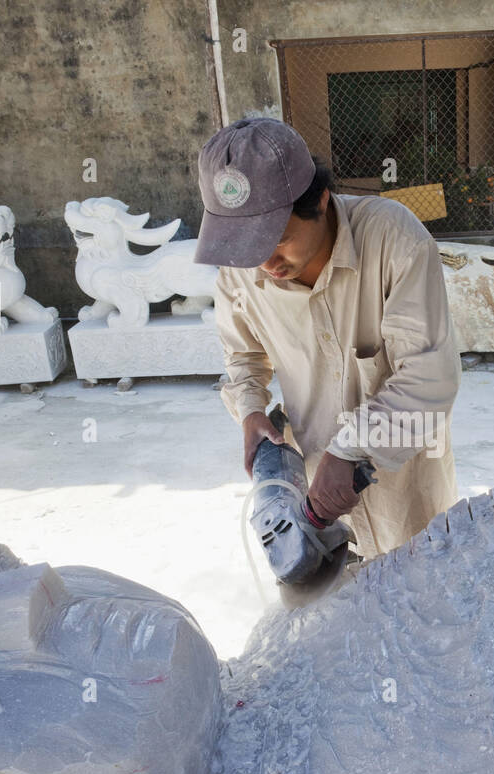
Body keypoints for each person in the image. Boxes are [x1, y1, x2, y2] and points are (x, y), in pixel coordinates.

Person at [194, 117, 461, 557]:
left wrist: (353, 450)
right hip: (313, 483)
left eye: (277, 240)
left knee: (420, 590)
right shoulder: (239, 271)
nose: (264, 261)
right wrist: (250, 410)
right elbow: (242, 354)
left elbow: (431, 378)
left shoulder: (394, 239)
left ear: (319, 199)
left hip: (405, 479)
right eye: (247, 245)